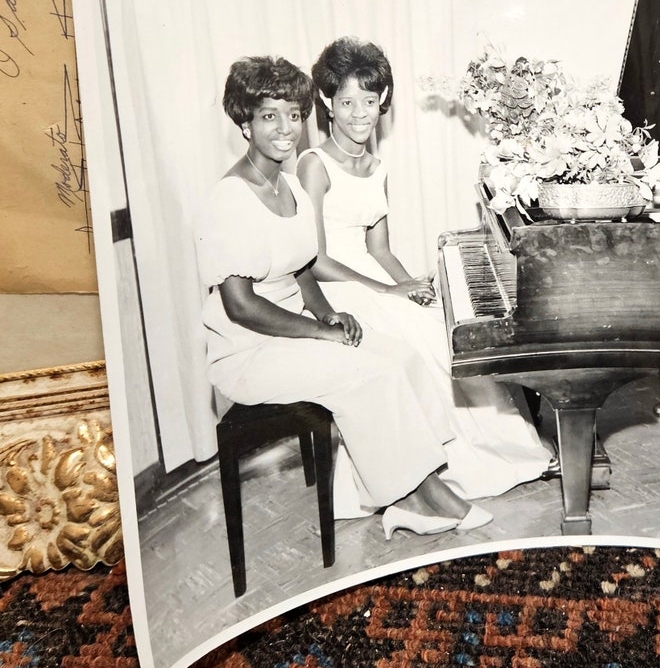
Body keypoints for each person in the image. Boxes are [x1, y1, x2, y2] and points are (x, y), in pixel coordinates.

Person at [195, 55, 490, 539]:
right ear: (244, 123)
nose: (286, 128)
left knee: (402, 356)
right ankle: (416, 496)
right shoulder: (228, 198)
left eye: (294, 115)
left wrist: (329, 314)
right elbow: (240, 305)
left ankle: (419, 483)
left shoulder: (289, 185)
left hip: (292, 332)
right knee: (371, 374)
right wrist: (319, 331)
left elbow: (302, 267)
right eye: (269, 116)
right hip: (248, 352)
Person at [297, 38, 551, 503]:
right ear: (328, 104)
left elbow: (379, 249)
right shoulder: (313, 165)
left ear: (382, 101)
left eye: (369, 101)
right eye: (347, 102)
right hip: (334, 291)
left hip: (371, 281)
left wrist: (410, 286)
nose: (359, 114)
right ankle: (450, 467)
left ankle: (507, 449)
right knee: (427, 341)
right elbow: (315, 260)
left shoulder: (377, 167)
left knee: (448, 324)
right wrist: (388, 293)